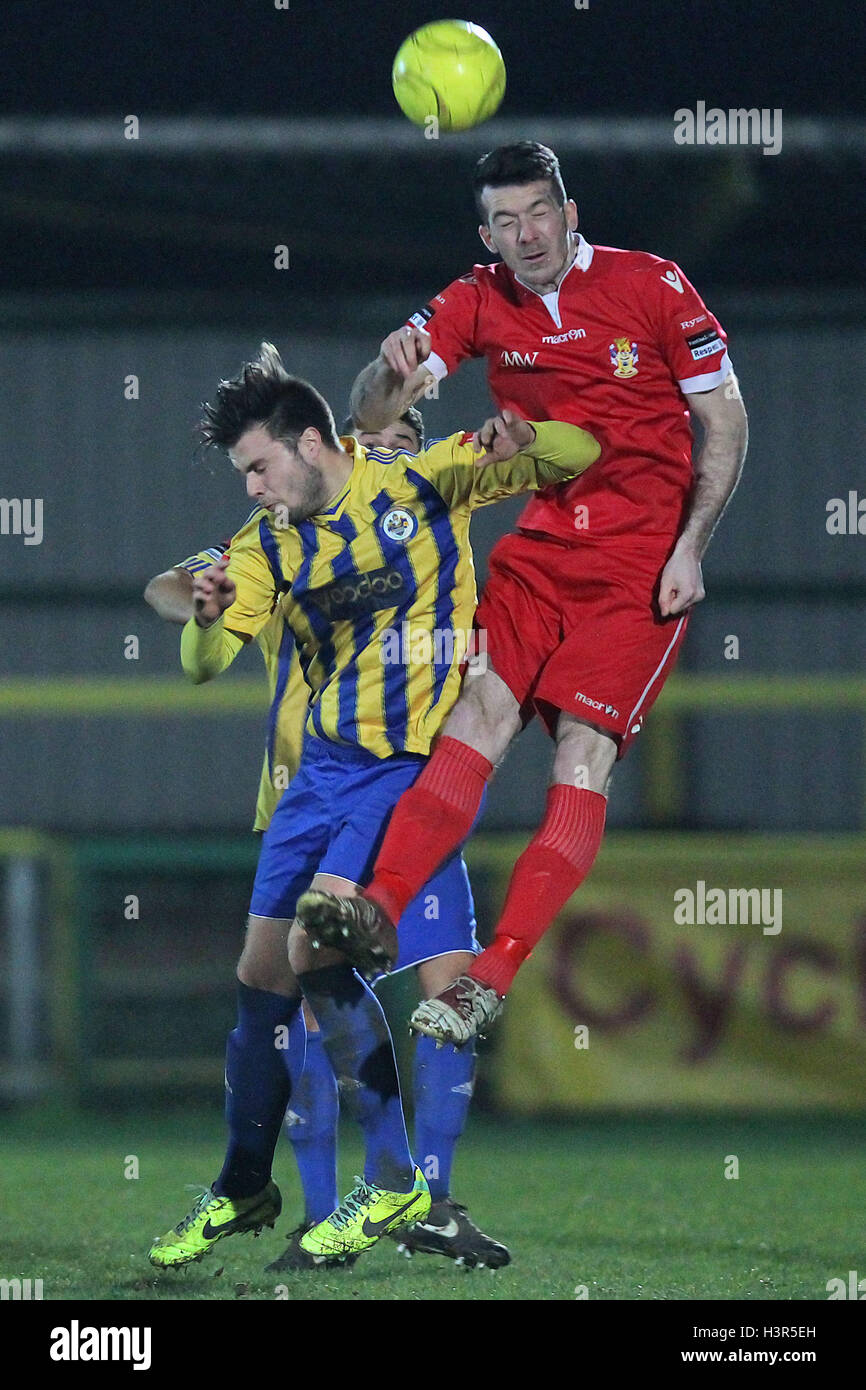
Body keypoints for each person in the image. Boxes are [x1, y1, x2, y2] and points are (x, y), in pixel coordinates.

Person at [147, 343, 600, 1268]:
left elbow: (578, 454)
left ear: (313, 443)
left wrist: (528, 436)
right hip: (315, 776)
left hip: (409, 773)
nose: (252, 489)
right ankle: (246, 1185)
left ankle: (402, 1184)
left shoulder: (424, 479)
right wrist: (201, 616)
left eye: (259, 467)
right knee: (263, 977)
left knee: (333, 953)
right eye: (243, 473)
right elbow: (207, 663)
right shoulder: (265, 544)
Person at [295, 139, 749, 1048]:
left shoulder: (653, 286)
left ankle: (489, 976)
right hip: (543, 552)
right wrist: (388, 375)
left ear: (569, 213)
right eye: (505, 221)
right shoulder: (475, 299)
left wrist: (691, 549)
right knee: (477, 713)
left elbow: (725, 421)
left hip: (639, 568)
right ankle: (378, 906)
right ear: (487, 233)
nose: (525, 233)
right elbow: (375, 417)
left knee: (582, 759)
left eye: (538, 212)